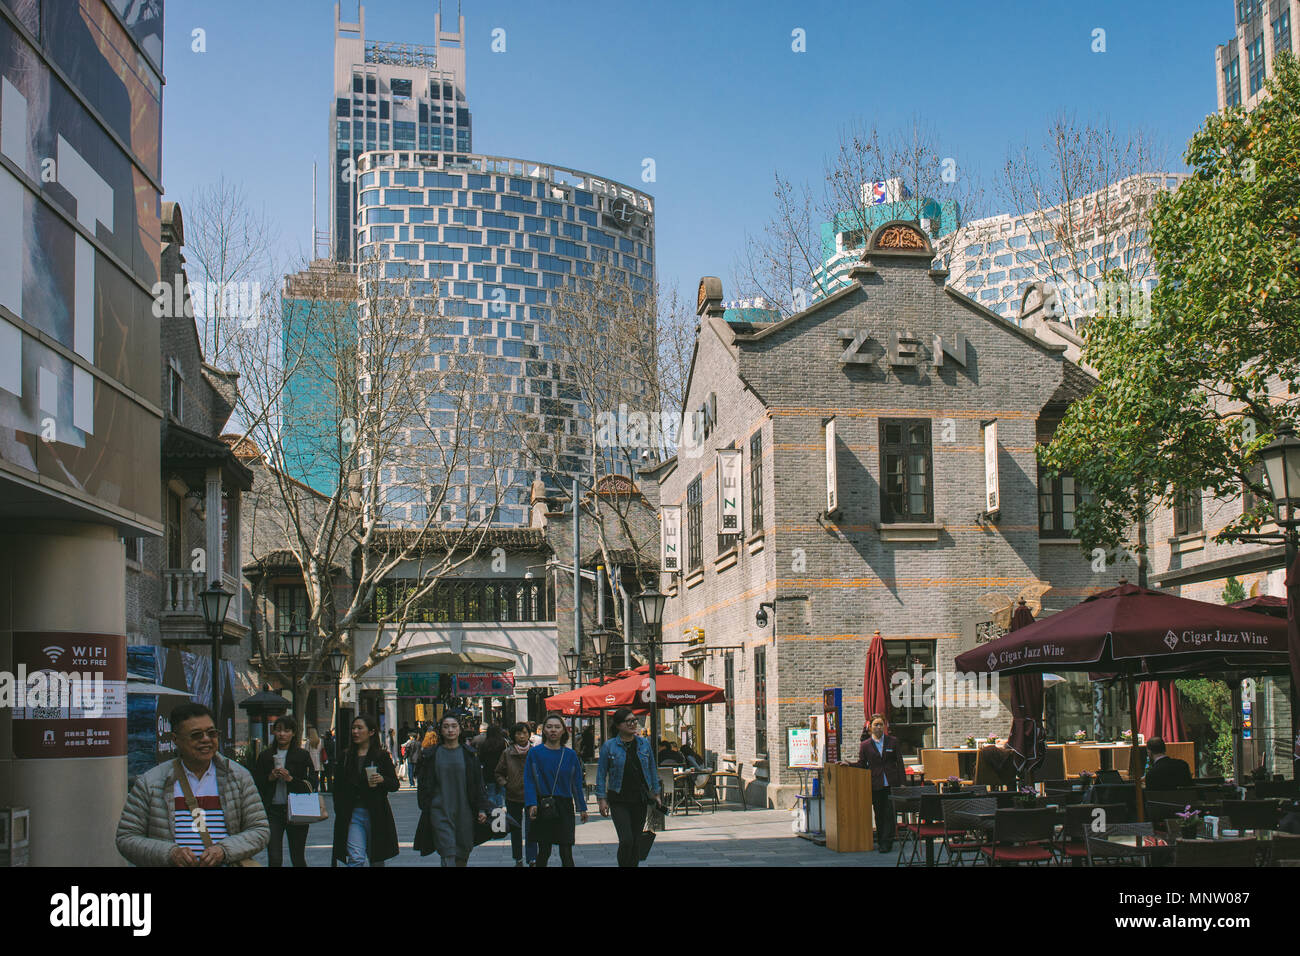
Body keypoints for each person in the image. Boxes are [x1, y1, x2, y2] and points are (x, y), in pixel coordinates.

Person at [116, 702, 268, 866]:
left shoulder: (238, 777)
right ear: (176, 739)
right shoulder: (151, 782)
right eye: (196, 735)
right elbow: (126, 837)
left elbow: (259, 830)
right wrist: (170, 853)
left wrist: (224, 850)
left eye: (211, 733)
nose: (206, 740)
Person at [415, 714, 493, 867]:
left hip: (465, 812)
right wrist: (426, 806)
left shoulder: (469, 755)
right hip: (440, 811)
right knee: (447, 852)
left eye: (454, 726)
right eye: (446, 726)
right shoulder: (431, 755)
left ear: (459, 729)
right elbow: (424, 783)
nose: (450, 730)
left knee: (462, 853)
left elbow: (478, 783)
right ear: (441, 730)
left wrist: (482, 808)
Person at [595, 707, 664, 867]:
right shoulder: (609, 746)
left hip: (639, 798)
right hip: (618, 798)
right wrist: (601, 799)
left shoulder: (644, 744)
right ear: (619, 725)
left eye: (634, 720)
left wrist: (656, 793)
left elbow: (652, 769)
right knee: (626, 839)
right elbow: (601, 774)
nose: (633, 724)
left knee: (635, 840)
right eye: (629, 721)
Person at [330, 715, 400, 867]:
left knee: (376, 859)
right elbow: (337, 788)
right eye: (353, 728)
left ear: (371, 732)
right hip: (352, 813)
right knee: (356, 858)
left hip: (376, 813)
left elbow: (394, 784)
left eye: (360, 728)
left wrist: (383, 780)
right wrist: (340, 810)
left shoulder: (381, 756)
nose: (355, 732)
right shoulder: (346, 756)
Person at [525, 713, 589, 867]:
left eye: (557, 727)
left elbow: (576, 783)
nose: (553, 730)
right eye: (549, 727)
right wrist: (532, 803)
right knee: (544, 851)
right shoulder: (534, 753)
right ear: (544, 731)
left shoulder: (571, 755)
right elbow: (529, 780)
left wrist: (582, 807)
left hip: (564, 805)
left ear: (563, 731)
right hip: (543, 804)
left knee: (566, 852)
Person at [254, 715, 317, 867]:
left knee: (298, 857)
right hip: (272, 811)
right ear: (274, 732)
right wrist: (270, 778)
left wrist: (291, 780)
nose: (282, 734)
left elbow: (313, 782)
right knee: (274, 858)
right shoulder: (265, 756)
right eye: (278, 730)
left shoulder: (302, 755)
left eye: (287, 731)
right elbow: (255, 782)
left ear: (293, 733)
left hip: (297, 809)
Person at [839, 714, 904, 853]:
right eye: (876, 725)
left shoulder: (893, 742)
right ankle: (881, 841)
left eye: (881, 724)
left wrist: (903, 783)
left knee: (890, 814)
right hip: (876, 784)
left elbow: (900, 763)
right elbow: (862, 764)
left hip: (892, 784)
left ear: (885, 726)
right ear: (870, 727)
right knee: (879, 814)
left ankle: (887, 842)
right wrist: (848, 764)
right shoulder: (865, 745)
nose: (879, 727)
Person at [496, 722, 537, 867]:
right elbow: (498, 772)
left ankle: (532, 858)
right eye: (518, 733)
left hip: (531, 796)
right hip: (512, 796)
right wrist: (505, 784)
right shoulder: (507, 753)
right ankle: (518, 858)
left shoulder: (534, 752)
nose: (521, 736)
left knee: (532, 829)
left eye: (525, 733)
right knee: (515, 829)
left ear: (529, 734)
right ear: (513, 735)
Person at [475, 724, 508, 805]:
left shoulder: (484, 744)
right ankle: (502, 808)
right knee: (502, 792)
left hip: (488, 771)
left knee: (490, 792)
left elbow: (480, 758)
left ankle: (492, 809)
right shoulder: (503, 743)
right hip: (501, 771)